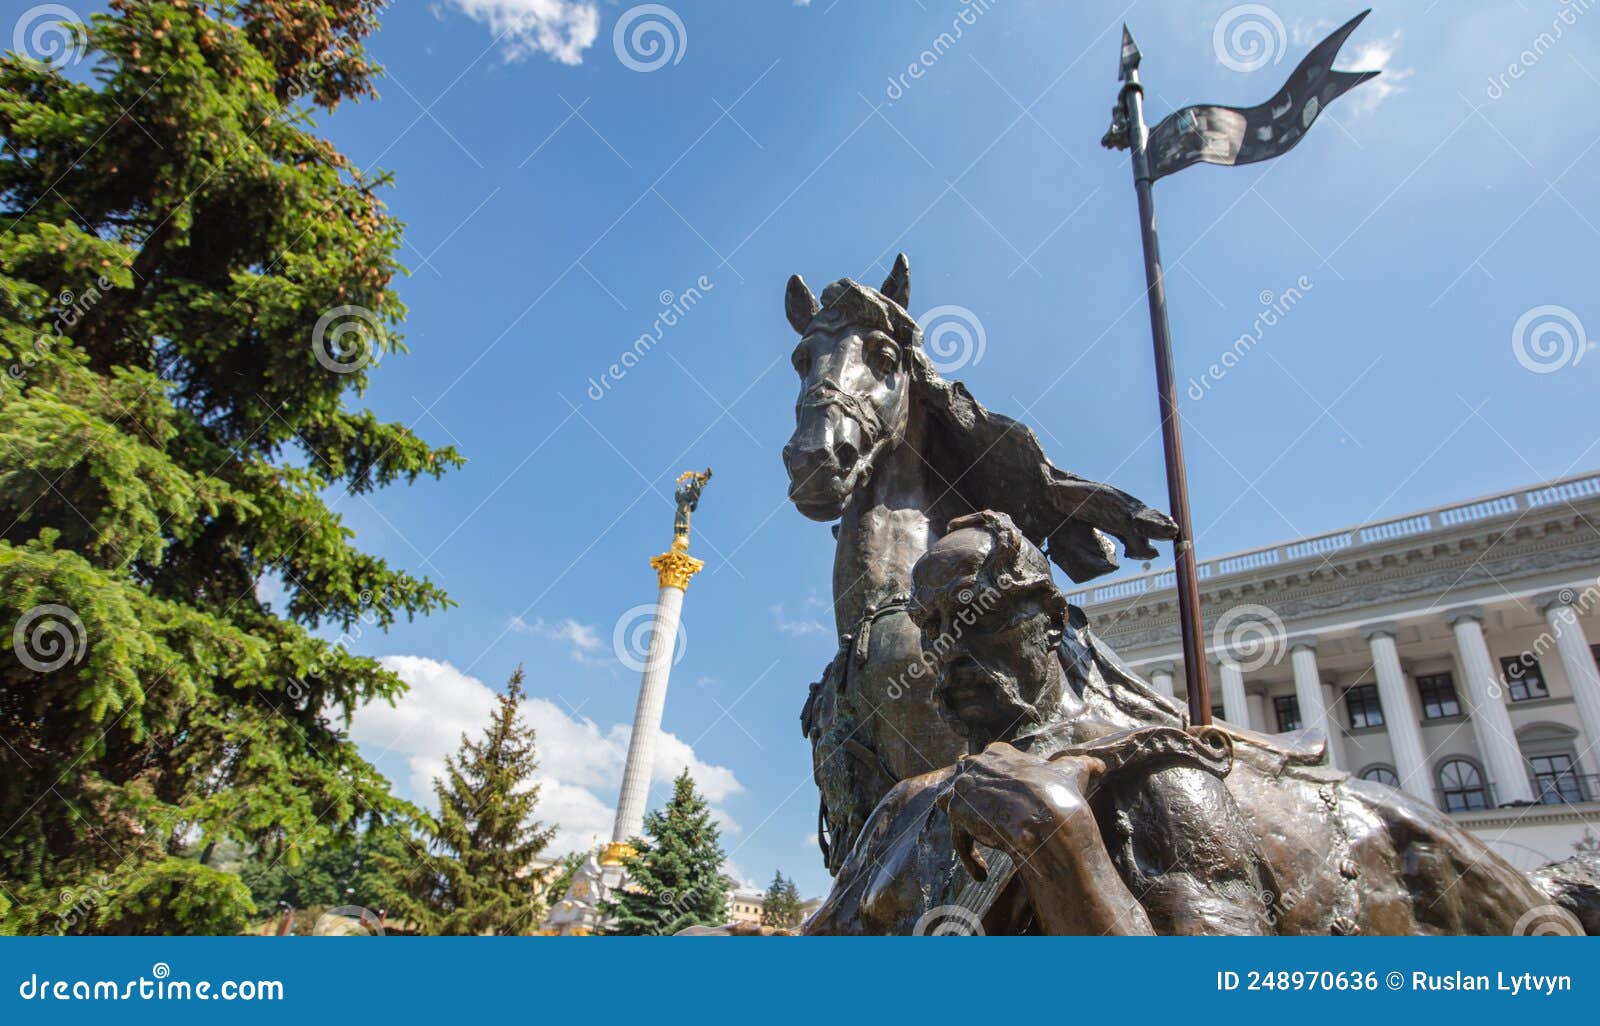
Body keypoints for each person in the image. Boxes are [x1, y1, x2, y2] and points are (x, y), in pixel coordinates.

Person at [804, 510, 1561, 935]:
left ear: (1050, 621)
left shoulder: (1153, 785)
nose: (949, 652)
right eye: (932, 627)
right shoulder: (905, 810)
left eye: (982, 617)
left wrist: (1066, 850)